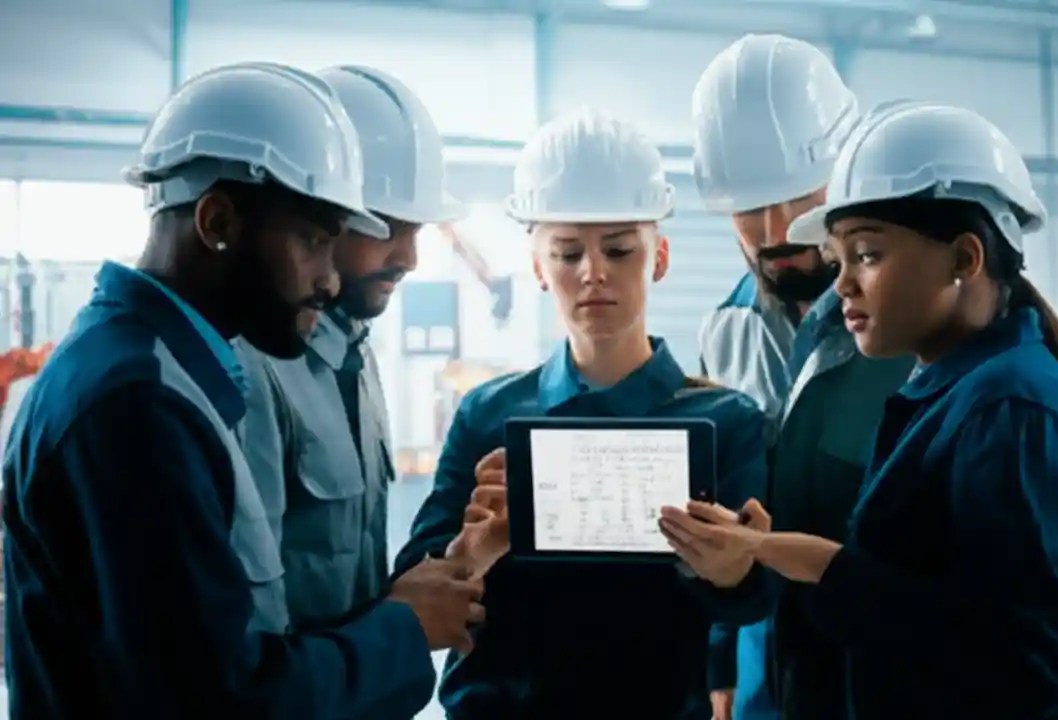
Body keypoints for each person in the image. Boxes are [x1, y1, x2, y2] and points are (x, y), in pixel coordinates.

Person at [0, 61, 483, 719]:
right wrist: (405, 628)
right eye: (314, 241)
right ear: (219, 221)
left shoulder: (162, 374)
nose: (330, 280)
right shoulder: (137, 402)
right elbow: (224, 699)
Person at [661, 101, 1058, 719]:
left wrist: (826, 567)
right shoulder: (952, 395)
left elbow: (1026, 666)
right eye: (838, 260)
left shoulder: (1009, 412)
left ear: (964, 259)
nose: (842, 285)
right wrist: (769, 549)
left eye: (867, 255)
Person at [391, 107, 776, 719]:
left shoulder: (727, 422)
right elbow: (413, 587)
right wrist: (471, 551)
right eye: (568, 253)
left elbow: (755, 601)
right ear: (538, 268)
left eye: (619, 250)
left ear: (659, 258)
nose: (594, 273)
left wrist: (732, 570)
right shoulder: (487, 416)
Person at [690, 33, 916, 720]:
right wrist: (720, 659)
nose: (775, 231)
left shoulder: (916, 327)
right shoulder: (726, 332)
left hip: (889, 674)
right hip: (768, 676)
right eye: (747, 208)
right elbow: (721, 507)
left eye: (796, 198)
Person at [235, 64, 466, 633]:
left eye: (418, 231)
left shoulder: (356, 356)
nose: (409, 258)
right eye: (385, 228)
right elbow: (250, 638)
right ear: (322, 213)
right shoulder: (252, 364)